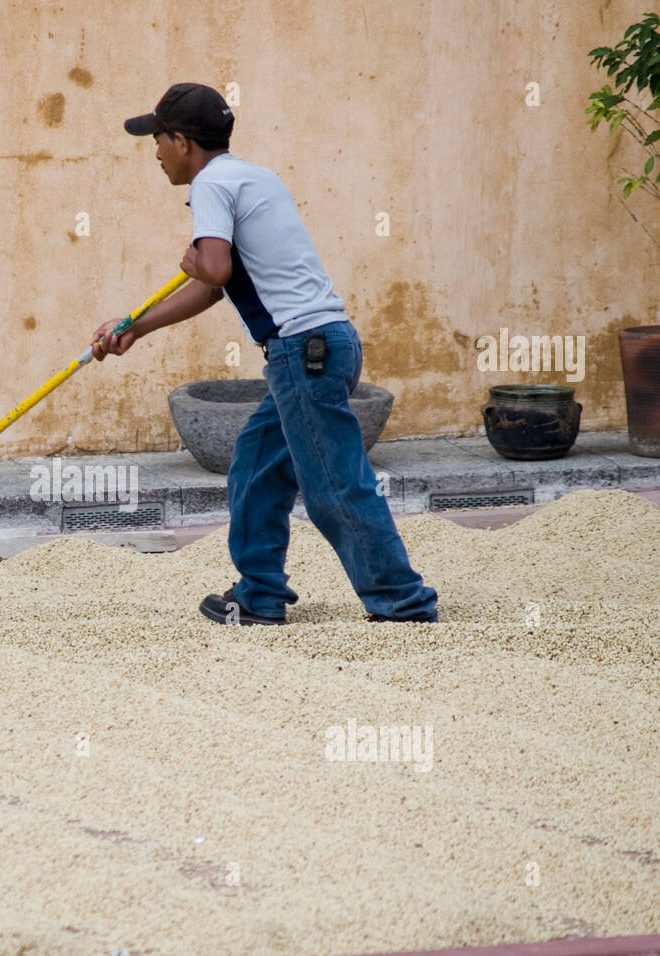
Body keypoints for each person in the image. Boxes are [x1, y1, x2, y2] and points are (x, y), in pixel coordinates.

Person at [91, 83, 438, 626]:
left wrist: (195, 263)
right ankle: (259, 597)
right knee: (255, 466)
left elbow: (214, 271)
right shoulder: (252, 176)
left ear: (182, 141)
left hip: (305, 350)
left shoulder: (210, 183)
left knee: (333, 486)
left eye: (157, 139)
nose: (155, 151)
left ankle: (403, 604)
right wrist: (134, 327)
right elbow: (212, 285)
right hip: (325, 344)